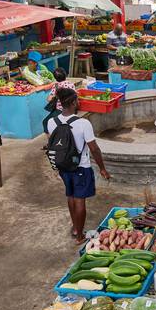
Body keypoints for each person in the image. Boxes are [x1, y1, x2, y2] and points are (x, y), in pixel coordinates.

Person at [44, 86, 110, 241]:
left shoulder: (51, 122)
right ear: (74, 102)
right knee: (80, 200)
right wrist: (102, 168)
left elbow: (54, 144)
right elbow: (94, 148)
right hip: (81, 167)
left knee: (70, 195)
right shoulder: (83, 123)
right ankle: (80, 236)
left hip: (63, 166)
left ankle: (75, 227)